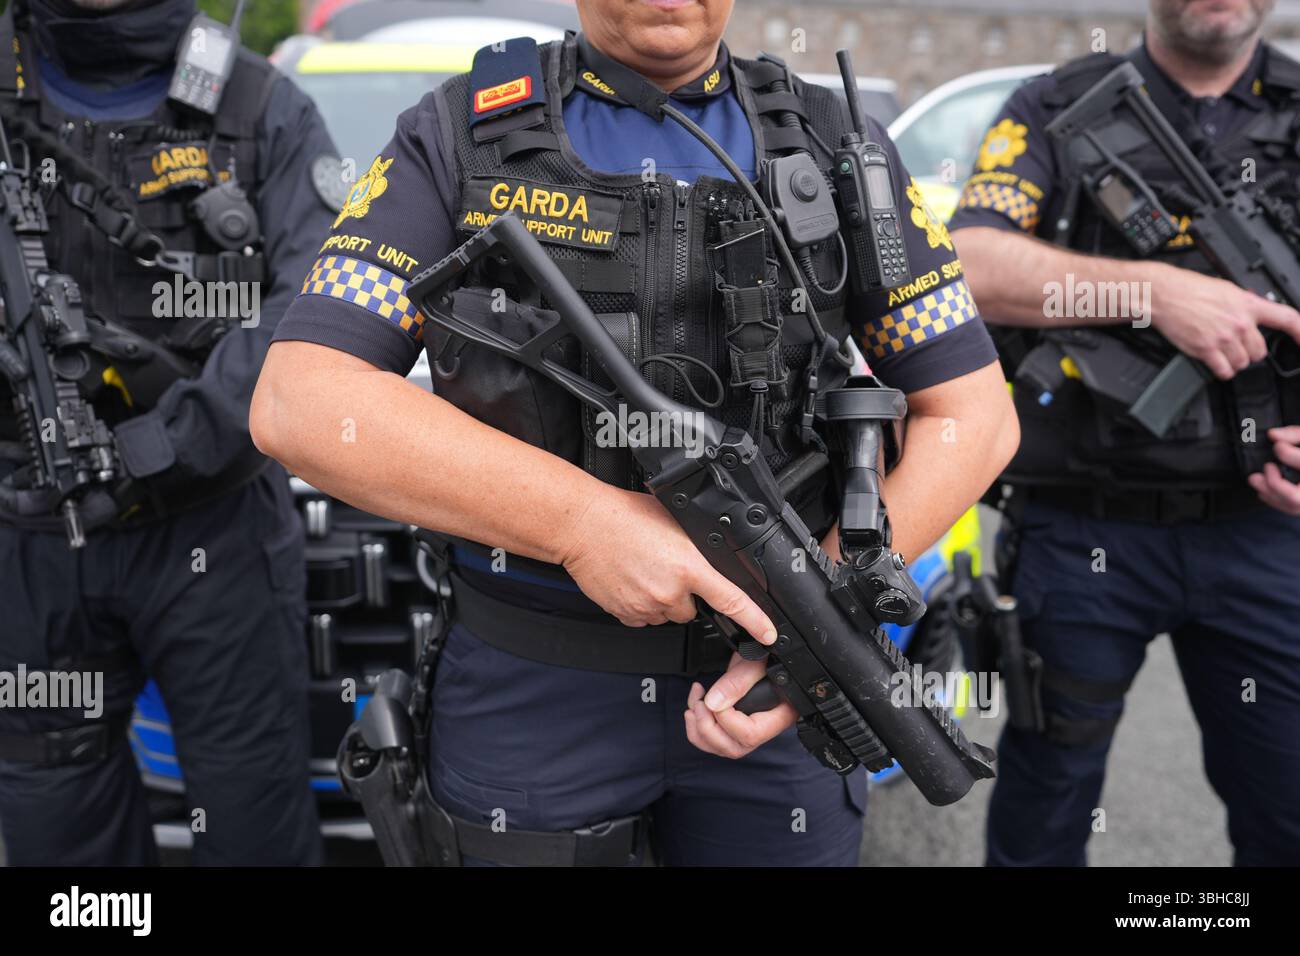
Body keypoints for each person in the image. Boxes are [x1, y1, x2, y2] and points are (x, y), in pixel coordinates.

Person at [253, 0, 1018, 866]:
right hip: (529, 684)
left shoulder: (836, 140)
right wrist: (584, 525)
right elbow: (300, 399)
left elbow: (975, 415)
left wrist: (823, 621)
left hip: (769, 691)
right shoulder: (459, 134)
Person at [949, 0, 1300, 866]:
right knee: (1045, 809)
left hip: (1269, 529)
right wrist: (1152, 292)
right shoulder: (1053, 104)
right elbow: (968, 264)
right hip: (1083, 530)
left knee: (1287, 807)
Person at [0, 0, 338, 865]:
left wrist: (164, 445)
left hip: (215, 537)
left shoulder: (265, 108)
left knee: (253, 820)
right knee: (58, 844)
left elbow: (316, 313)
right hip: (30, 539)